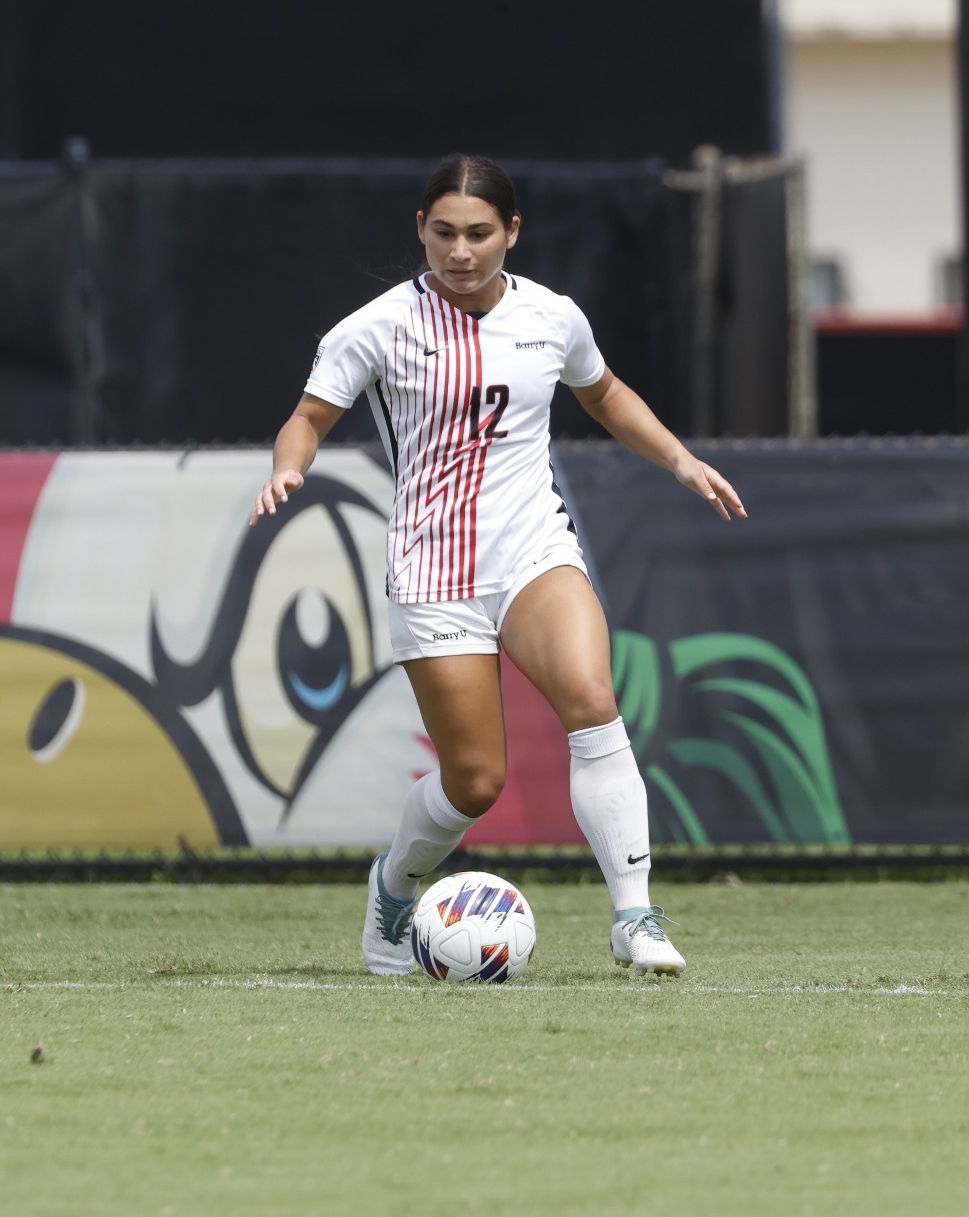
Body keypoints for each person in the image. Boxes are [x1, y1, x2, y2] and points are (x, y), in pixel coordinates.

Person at [252, 154, 745, 977]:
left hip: (532, 549)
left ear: (512, 232)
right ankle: (395, 886)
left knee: (592, 698)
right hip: (433, 567)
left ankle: (636, 918)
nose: (460, 250)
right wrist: (287, 466)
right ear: (420, 229)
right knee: (474, 781)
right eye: (443, 232)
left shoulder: (551, 316)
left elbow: (605, 390)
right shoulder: (377, 326)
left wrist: (680, 459)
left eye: (479, 233)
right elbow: (307, 415)